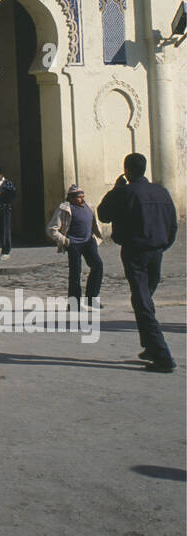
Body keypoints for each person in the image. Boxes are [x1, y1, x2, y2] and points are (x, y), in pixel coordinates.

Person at [98, 153, 178, 372]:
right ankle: (151, 347)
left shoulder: (125, 192)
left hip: (136, 252)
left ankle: (163, 356)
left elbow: (103, 214)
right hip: (157, 251)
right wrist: (162, 245)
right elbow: (173, 225)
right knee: (143, 298)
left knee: (143, 304)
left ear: (127, 171)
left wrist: (115, 189)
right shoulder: (161, 192)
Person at [46, 184, 103, 304]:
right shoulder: (64, 209)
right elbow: (51, 229)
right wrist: (65, 241)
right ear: (71, 198)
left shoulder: (89, 207)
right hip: (74, 244)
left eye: (83, 196)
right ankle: (74, 303)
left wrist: (96, 237)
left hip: (88, 241)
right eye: (79, 197)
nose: (82, 199)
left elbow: (94, 223)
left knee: (97, 266)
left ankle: (92, 298)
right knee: (75, 273)